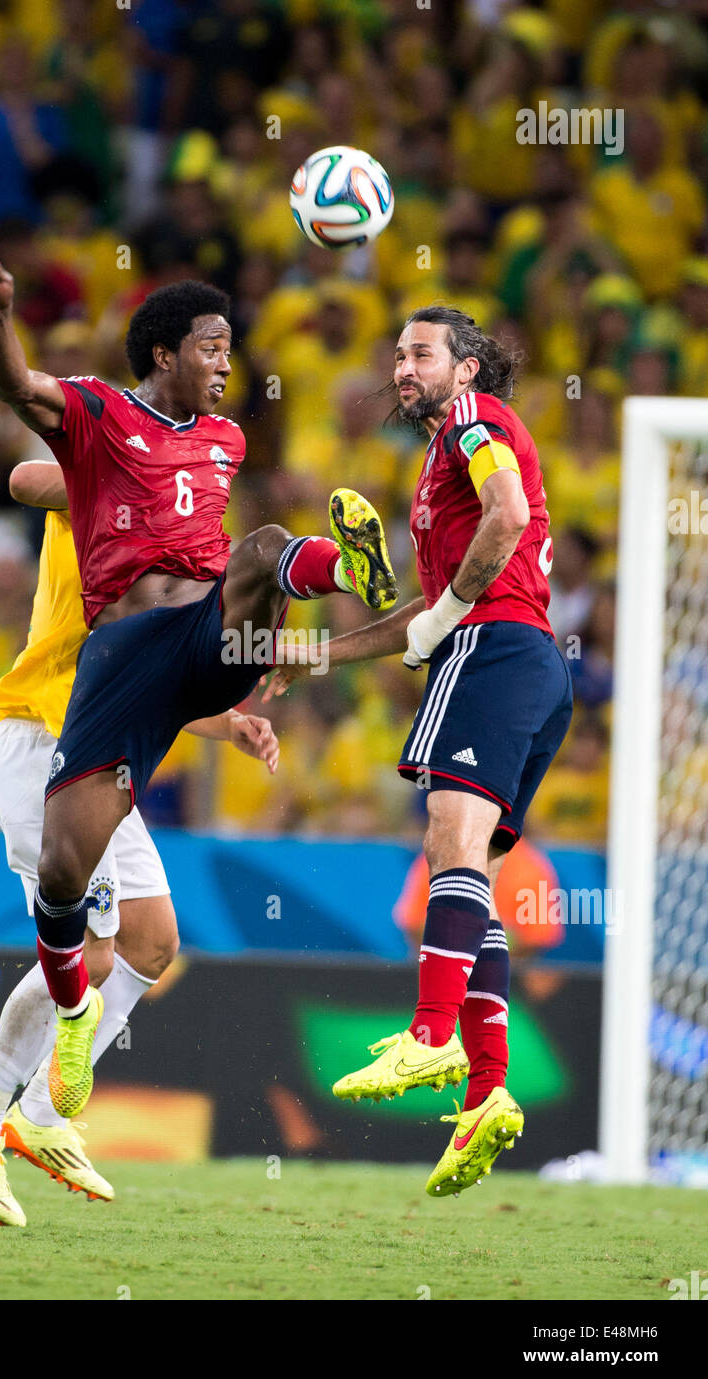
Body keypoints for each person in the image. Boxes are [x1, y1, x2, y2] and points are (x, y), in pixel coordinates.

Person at [0, 257, 399, 1122]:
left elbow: (189, 513)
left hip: (209, 638)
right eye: (210, 346)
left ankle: (344, 564)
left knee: (262, 546)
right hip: (124, 659)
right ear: (163, 353)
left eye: (230, 347)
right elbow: (19, 398)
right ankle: (71, 1023)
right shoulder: (99, 414)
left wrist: (233, 711)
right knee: (60, 881)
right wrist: (0, 321)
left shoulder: (225, 441)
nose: (226, 362)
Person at [266, 307, 572, 1197]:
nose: (403, 368)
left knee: (447, 839)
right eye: (396, 354)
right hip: (525, 659)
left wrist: (444, 619)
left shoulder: (478, 425)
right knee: (464, 859)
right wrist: (315, 654)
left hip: (495, 648)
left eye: (421, 353)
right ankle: (484, 1091)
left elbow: (507, 516)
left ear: (467, 367)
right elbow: (418, 614)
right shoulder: (438, 468)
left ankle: (430, 1036)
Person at [0, 464, 280, 1227]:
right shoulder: (93, 495)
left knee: (151, 942)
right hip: (42, 752)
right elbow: (21, 476)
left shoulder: (172, 550)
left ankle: (44, 1118)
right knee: (92, 953)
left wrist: (231, 724)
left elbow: (152, 677)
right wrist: (114, 475)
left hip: (101, 756)